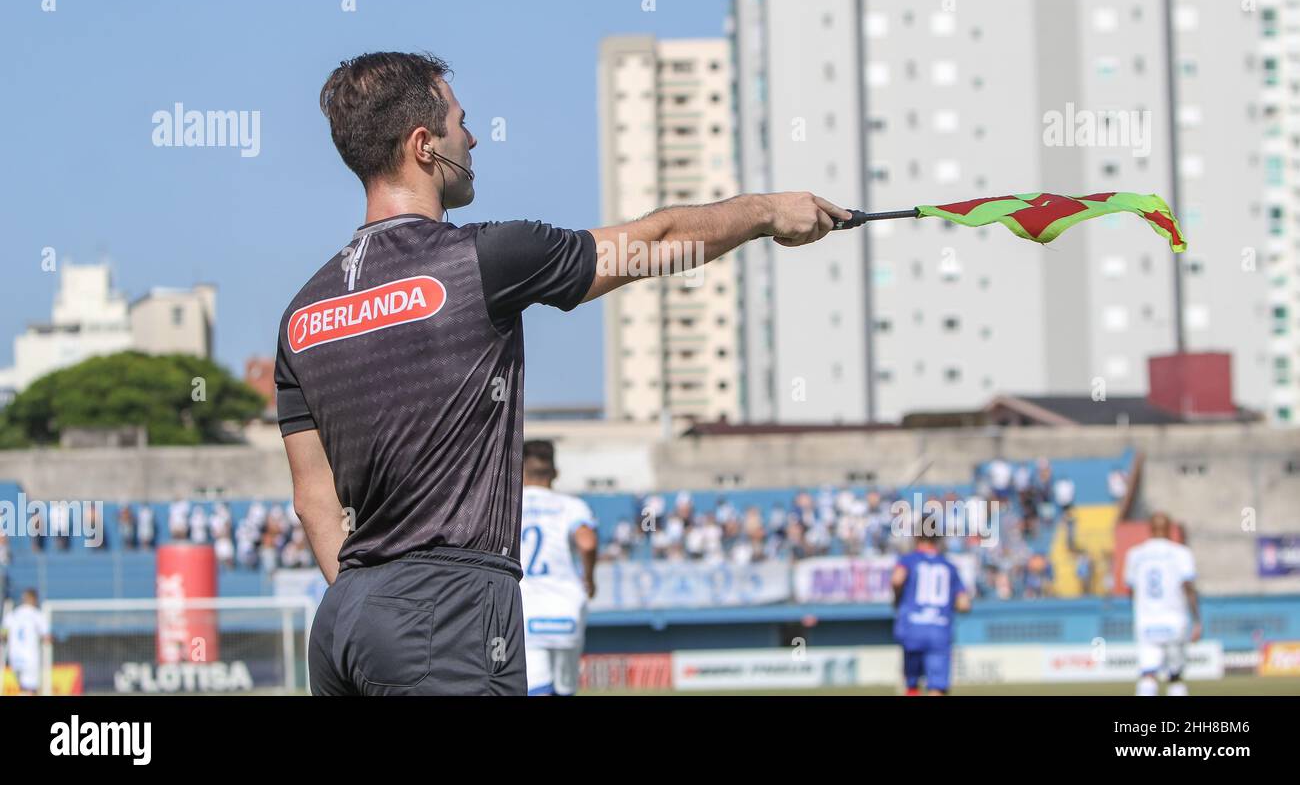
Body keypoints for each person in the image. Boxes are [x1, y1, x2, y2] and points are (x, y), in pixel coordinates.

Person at [277, 51, 849, 695]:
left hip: (344, 619)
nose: (474, 136)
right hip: (448, 605)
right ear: (424, 146)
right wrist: (768, 212)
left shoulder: (303, 311)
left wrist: (374, 608)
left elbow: (312, 500)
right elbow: (657, 241)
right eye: (460, 123)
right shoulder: (484, 257)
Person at [517, 440, 598, 696]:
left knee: (536, 688)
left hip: (526, 611)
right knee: (565, 690)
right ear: (555, 473)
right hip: (567, 609)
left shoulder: (508, 507)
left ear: (520, 470)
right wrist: (590, 578)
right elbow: (587, 543)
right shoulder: (572, 505)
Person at [1124, 512, 1201, 696]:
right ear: (1169, 529)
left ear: (1150, 529)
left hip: (1146, 621)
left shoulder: (1135, 554)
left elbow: (1130, 590)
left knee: (1147, 674)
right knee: (1175, 676)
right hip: (1175, 621)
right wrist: (1197, 619)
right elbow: (1188, 587)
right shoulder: (1181, 553)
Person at [891, 531, 972, 695]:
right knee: (937, 685)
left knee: (911, 682)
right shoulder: (949, 566)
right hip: (939, 629)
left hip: (912, 627)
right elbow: (964, 604)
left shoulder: (908, 560)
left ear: (916, 537)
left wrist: (898, 598)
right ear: (938, 539)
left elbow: (897, 579)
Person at [2, 589, 51, 695]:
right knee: (31, 690)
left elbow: (3, 635)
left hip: (14, 657)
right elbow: (47, 637)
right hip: (30, 657)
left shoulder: (12, 614)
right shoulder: (37, 615)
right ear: (34, 599)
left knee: (23, 688)